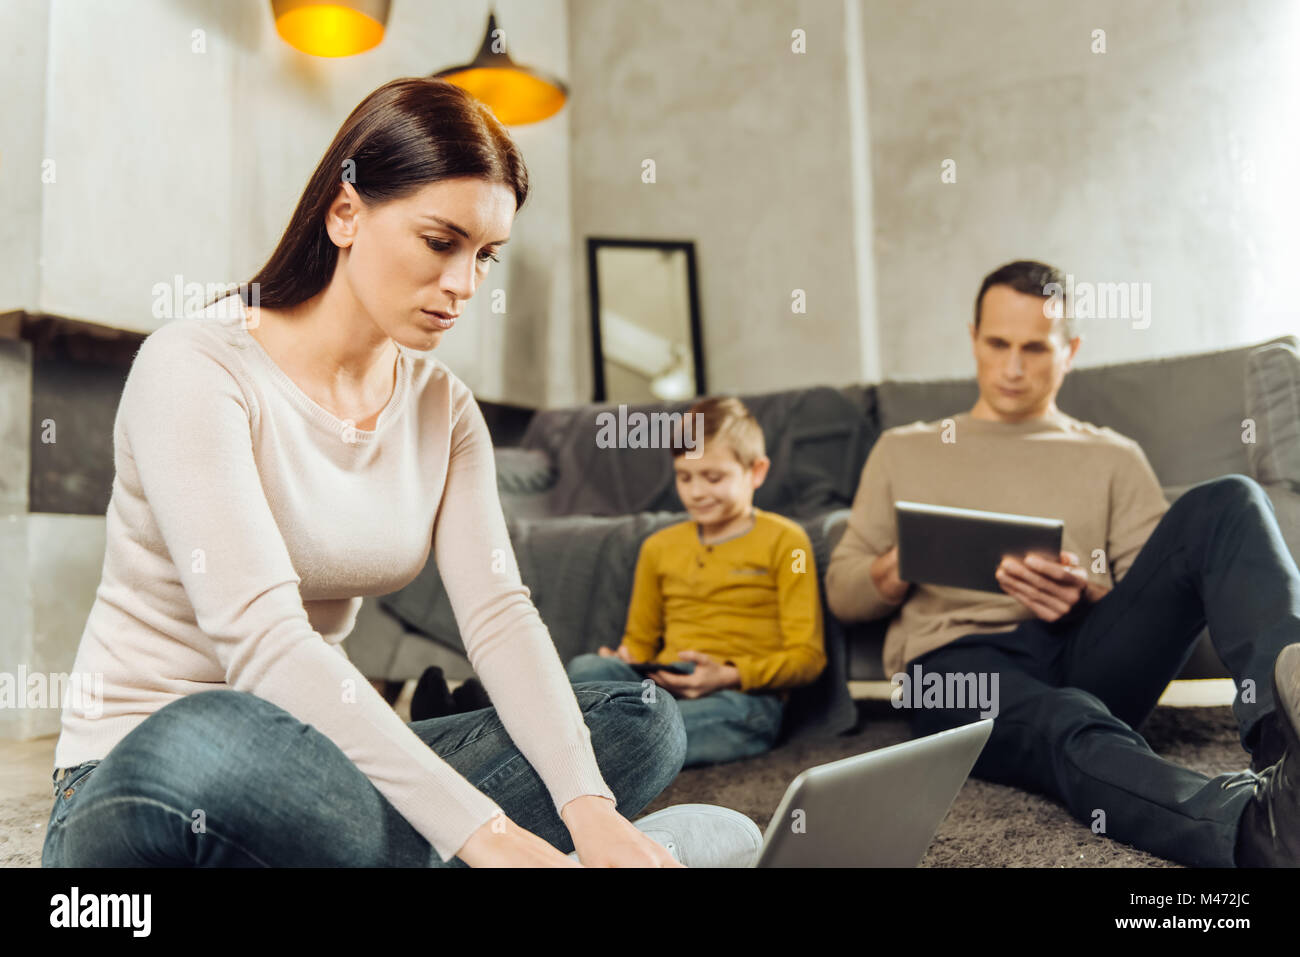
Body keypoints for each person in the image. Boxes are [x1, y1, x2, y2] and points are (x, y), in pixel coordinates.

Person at [42, 77, 703, 868]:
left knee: (636, 719)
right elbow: (266, 644)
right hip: (151, 771)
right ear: (346, 211)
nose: (464, 285)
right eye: (440, 241)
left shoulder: (443, 409)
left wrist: (590, 812)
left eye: (485, 255)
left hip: (323, 770)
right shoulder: (196, 366)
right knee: (220, 733)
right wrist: (491, 836)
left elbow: (498, 615)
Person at [825, 259, 1300, 867]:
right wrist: (908, 558)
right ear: (972, 338)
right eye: (997, 344)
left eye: (1035, 348)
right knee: (1066, 719)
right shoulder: (903, 449)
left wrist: (1085, 596)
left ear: (1070, 350)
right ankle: (1257, 829)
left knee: (1232, 498)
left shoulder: (1112, 455)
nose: (1013, 368)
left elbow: (1167, 601)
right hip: (955, 665)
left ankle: (1286, 737)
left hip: (1082, 651)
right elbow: (842, 593)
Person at [565, 396, 828, 767]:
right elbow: (639, 644)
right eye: (684, 477)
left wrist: (727, 676)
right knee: (586, 669)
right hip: (665, 685)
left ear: (756, 471)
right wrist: (625, 660)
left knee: (661, 728)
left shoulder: (789, 542)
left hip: (741, 697)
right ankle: (596, 741)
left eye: (713, 477)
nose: (696, 492)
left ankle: (584, 746)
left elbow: (808, 658)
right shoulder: (657, 547)